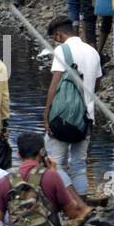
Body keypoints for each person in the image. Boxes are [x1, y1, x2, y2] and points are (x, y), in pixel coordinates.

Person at [43, 16, 101, 200]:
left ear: (59, 34)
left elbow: (55, 83)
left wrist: (46, 113)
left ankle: (73, 202)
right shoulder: (93, 52)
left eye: (54, 37)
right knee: (78, 165)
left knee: (55, 163)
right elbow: (97, 84)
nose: (55, 41)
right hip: (86, 117)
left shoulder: (62, 50)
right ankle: (82, 206)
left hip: (63, 116)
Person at [0, 131, 91, 224]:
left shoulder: (4, 181)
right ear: (42, 152)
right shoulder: (51, 176)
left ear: (19, 154)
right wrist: (59, 178)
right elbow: (74, 213)